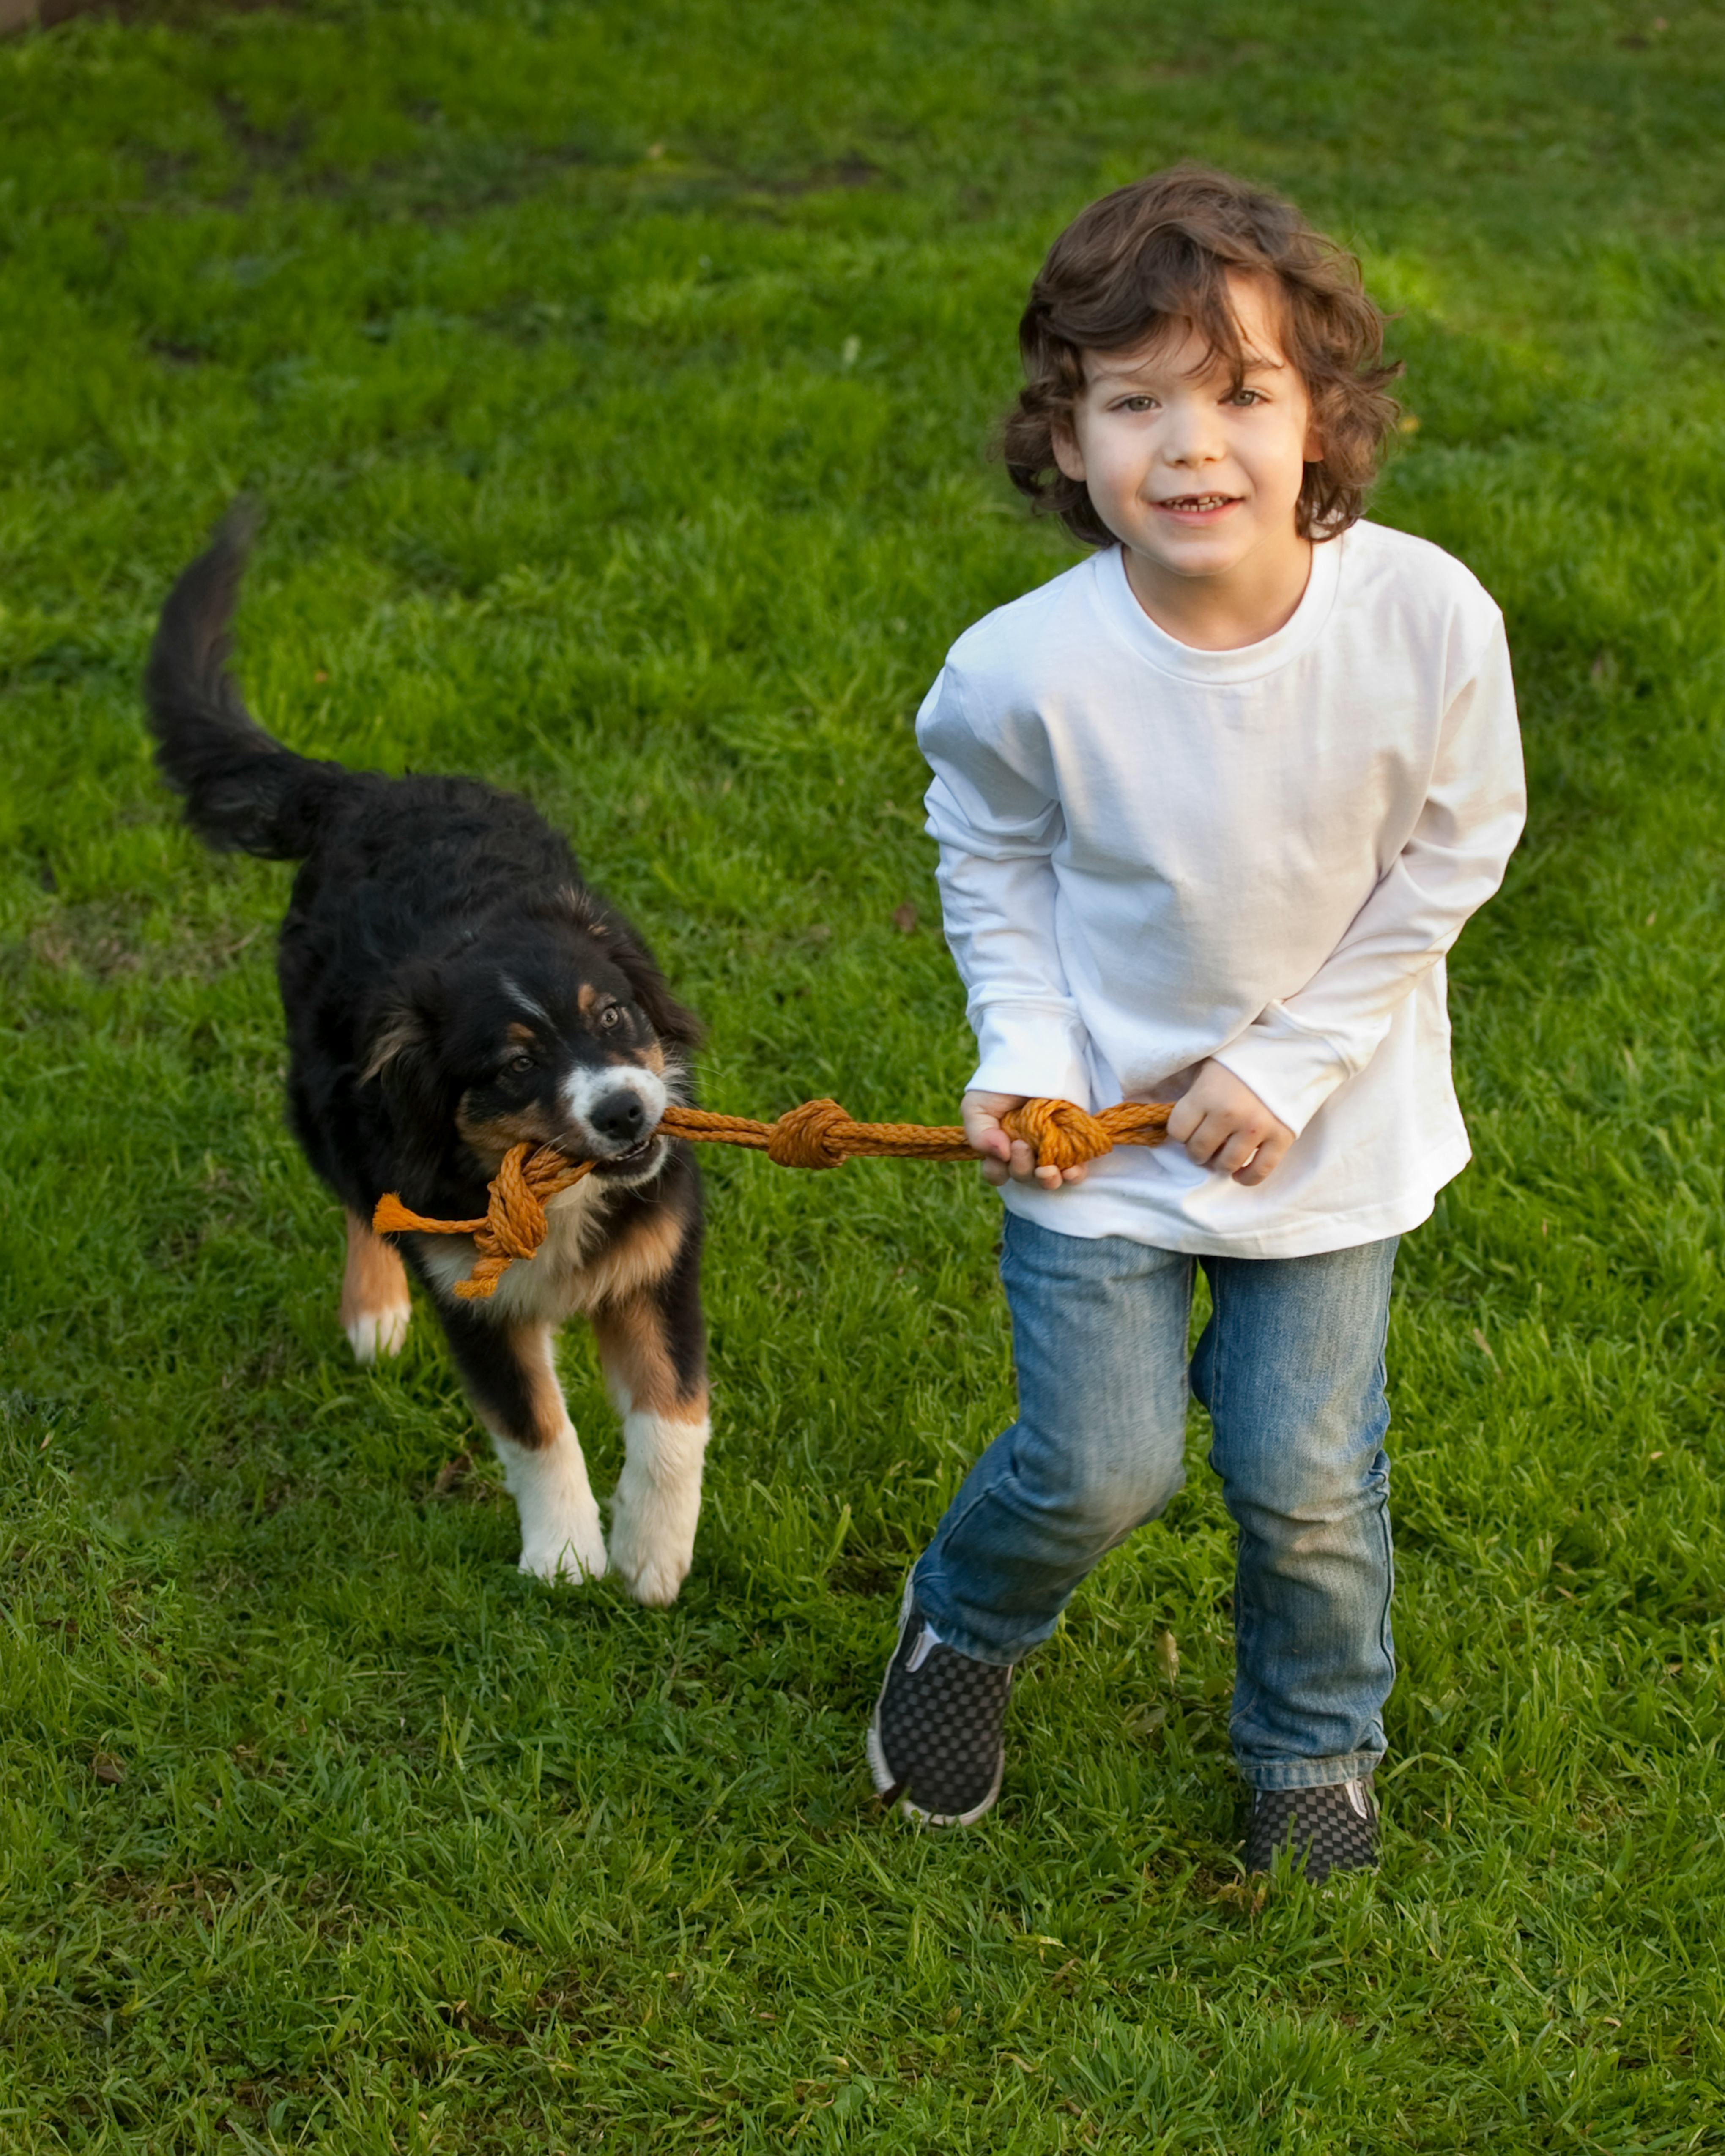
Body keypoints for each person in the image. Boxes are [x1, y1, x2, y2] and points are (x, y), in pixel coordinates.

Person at [867, 165, 1525, 1880]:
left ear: (1326, 422)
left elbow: (1461, 843)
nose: (1191, 447)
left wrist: (1290, 1065)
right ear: (1068, 437)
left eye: (1243, 395)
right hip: (1097, 1137)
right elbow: (991, 854)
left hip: (1332, 1136)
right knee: (1102, 1466)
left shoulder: (1428, 621)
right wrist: (1021, 1051)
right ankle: (962, 1627)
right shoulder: (1020, 672)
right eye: (1135, 401)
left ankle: (1313, 1752)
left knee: (1308, 1480)